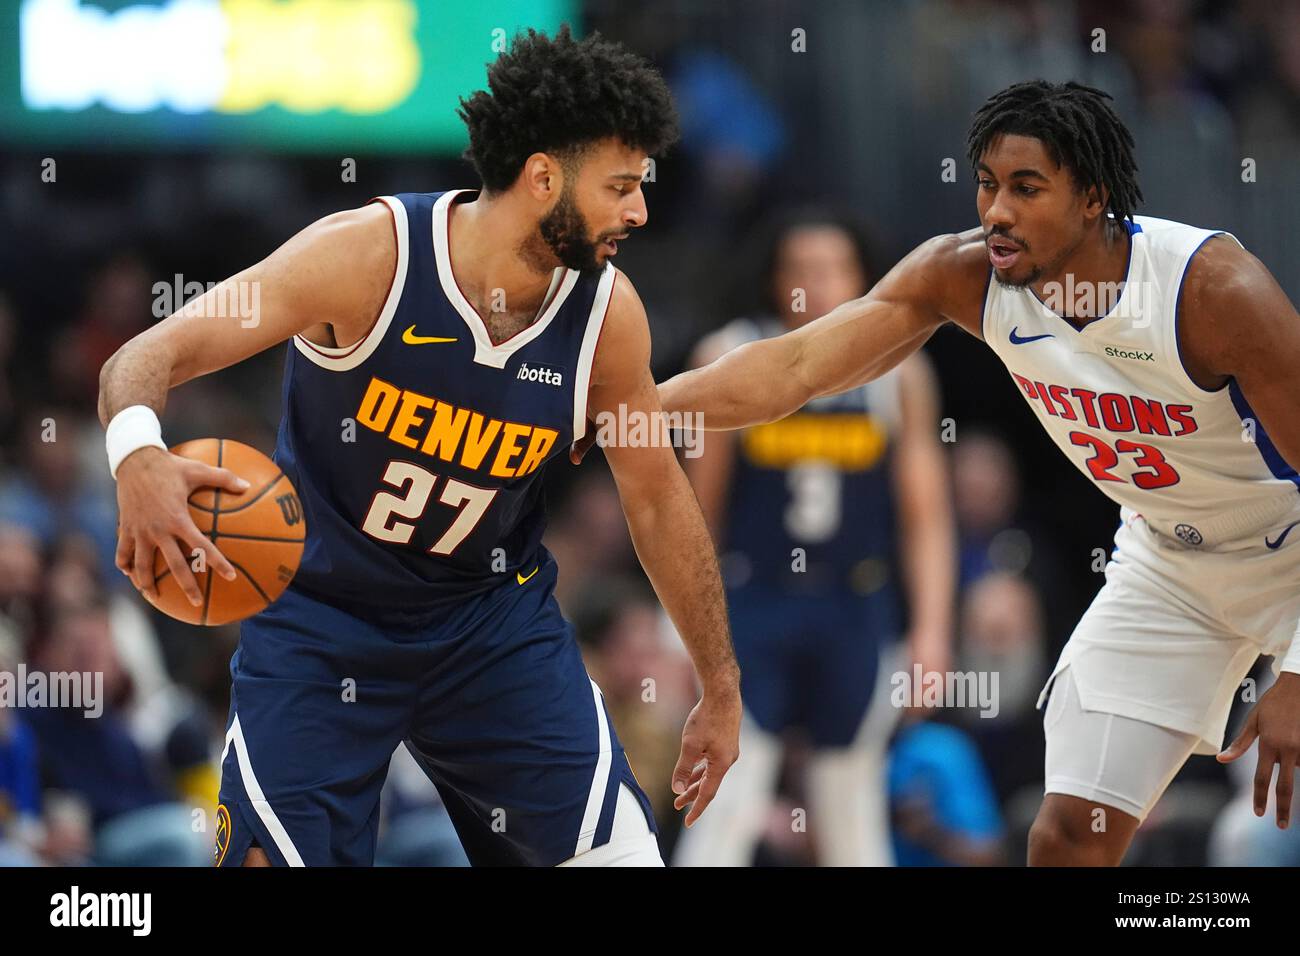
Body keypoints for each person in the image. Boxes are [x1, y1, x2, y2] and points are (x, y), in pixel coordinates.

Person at [98, 26, 740, 867]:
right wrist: (138, 456)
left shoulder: (606, 315)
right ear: (544, 176)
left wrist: (719, 684)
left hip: (488, 626)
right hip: (321, 623)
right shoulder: (366, 259)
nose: (640, 211)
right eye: (620, 186)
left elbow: (657, 499)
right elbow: (146, 356)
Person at [636, 80, 1300, 866]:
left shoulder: (1212, 291)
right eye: (987, 185)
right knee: (1065, 836)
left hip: (1289, 558)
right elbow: (799, 366)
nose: (995, 212)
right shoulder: (966, 276)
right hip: (1167, 563)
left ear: (1092, 198)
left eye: (1026, 189)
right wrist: (638, 407)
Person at [672, 209, 955, 866]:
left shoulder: (899, 371)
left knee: (852, 809)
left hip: (855, 605)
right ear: (774, 278)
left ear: (861, 278)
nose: (814, 284)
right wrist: (677, 620)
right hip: (754, 601)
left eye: (830, 269)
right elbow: (693, 513)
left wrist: (933, 633)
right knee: (727, 797)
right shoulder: (729, 355)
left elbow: (927, 518)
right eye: (799, 269)